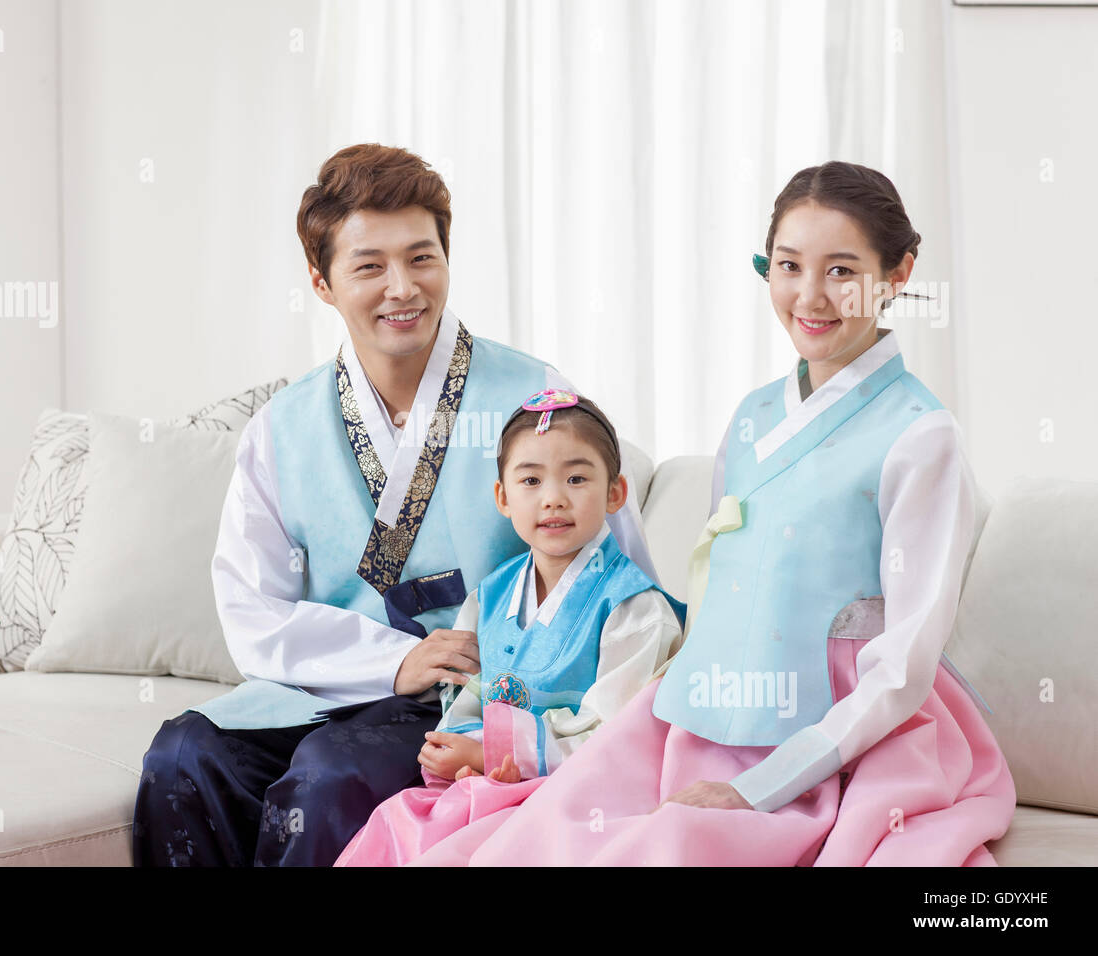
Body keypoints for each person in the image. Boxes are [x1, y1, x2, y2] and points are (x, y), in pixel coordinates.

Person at [406, 160, 1017, 867]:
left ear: (899, 272)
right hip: (714, 699)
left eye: (843, 271)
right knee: (527, 841)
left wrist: (761, 788)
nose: (810, 296)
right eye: (788, 266)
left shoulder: (921, 435)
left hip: (845, 725)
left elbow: (905, 663)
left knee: (670, 844)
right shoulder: (754, 417)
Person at [130, 143, 658, 866]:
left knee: (327, 777)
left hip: (478, 698)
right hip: (334, 683)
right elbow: (251, 609)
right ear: (322, 282)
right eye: (369, 266)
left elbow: (621, 572)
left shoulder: (534, 396)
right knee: (180, 756)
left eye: (421, 258)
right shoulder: (282, 430)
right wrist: (394, 659)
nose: (403, 288)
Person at [336, 391, 683, 866]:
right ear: (503, 496)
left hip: (578, 793)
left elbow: (617, 737)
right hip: (490, 781)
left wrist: (501, 753)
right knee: (396, 821)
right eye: (531, 480)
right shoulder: (491, 594)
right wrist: (458, 749)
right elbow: (469, 695)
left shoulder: (635, 608)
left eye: (577, 478)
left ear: (615, 492)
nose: (554, 498)